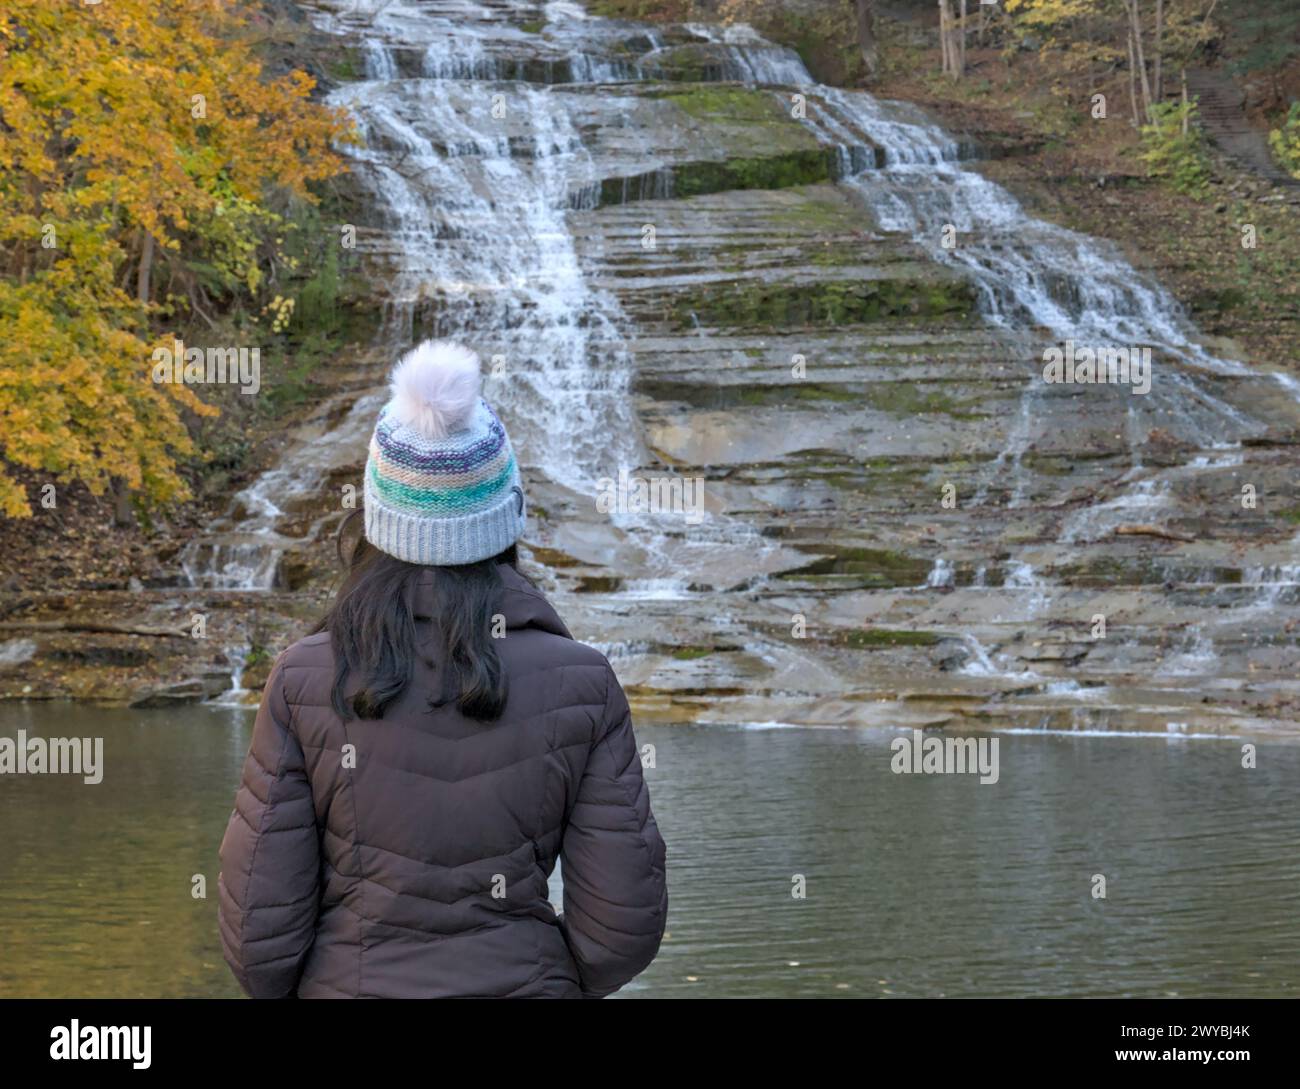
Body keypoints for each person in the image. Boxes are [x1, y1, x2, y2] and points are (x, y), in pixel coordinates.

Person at [217, 340, 668, 998]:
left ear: (374, 521)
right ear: (505, 519)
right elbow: (622, 927)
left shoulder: (303, 678)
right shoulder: (583, 681)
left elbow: (260, 939)